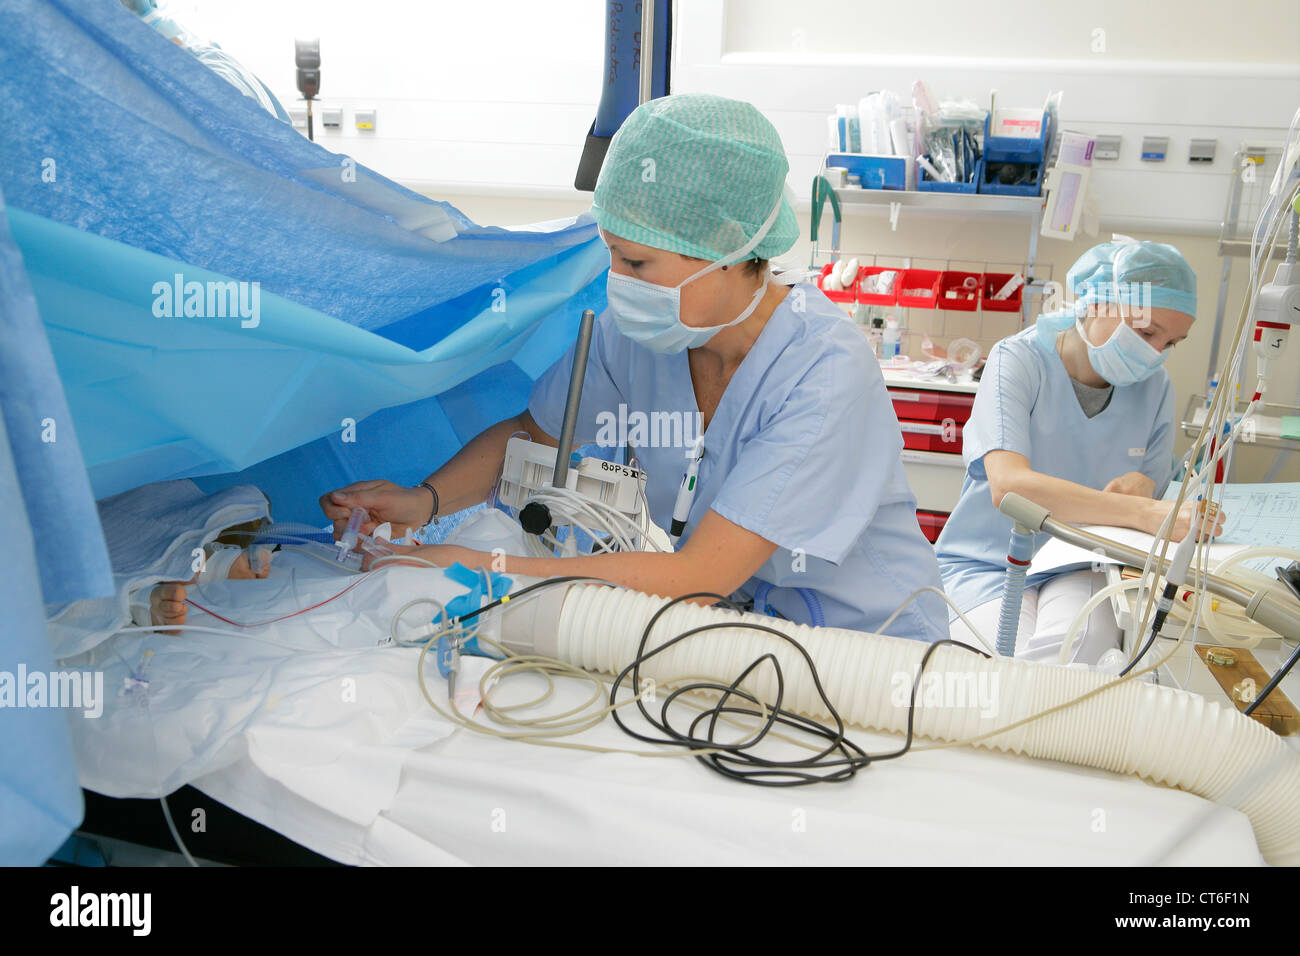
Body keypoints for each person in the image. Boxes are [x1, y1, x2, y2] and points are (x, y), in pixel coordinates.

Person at [319, 94, 948, 639]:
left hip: (874, 644)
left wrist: (475, 568)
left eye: (638, 264)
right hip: (752, 634)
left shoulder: (822, 372)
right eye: (612, 254)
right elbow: (531, 433)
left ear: (728, 248)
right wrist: (422, 501)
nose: (617, 282)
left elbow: (697, 579)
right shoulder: (640, 337)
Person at [936, 239, 1223, 662]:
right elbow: (1010, 488)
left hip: (1084, 566)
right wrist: (1137, 511)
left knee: (1074, 656)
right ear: (1097, 302)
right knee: (1002, 666)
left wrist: (1145, 488)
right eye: (1146, 332)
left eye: (1171, 344)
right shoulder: (1017, 361)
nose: (1154, 355)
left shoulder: (1155, 389)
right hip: (989, 563)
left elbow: (1155, 493)